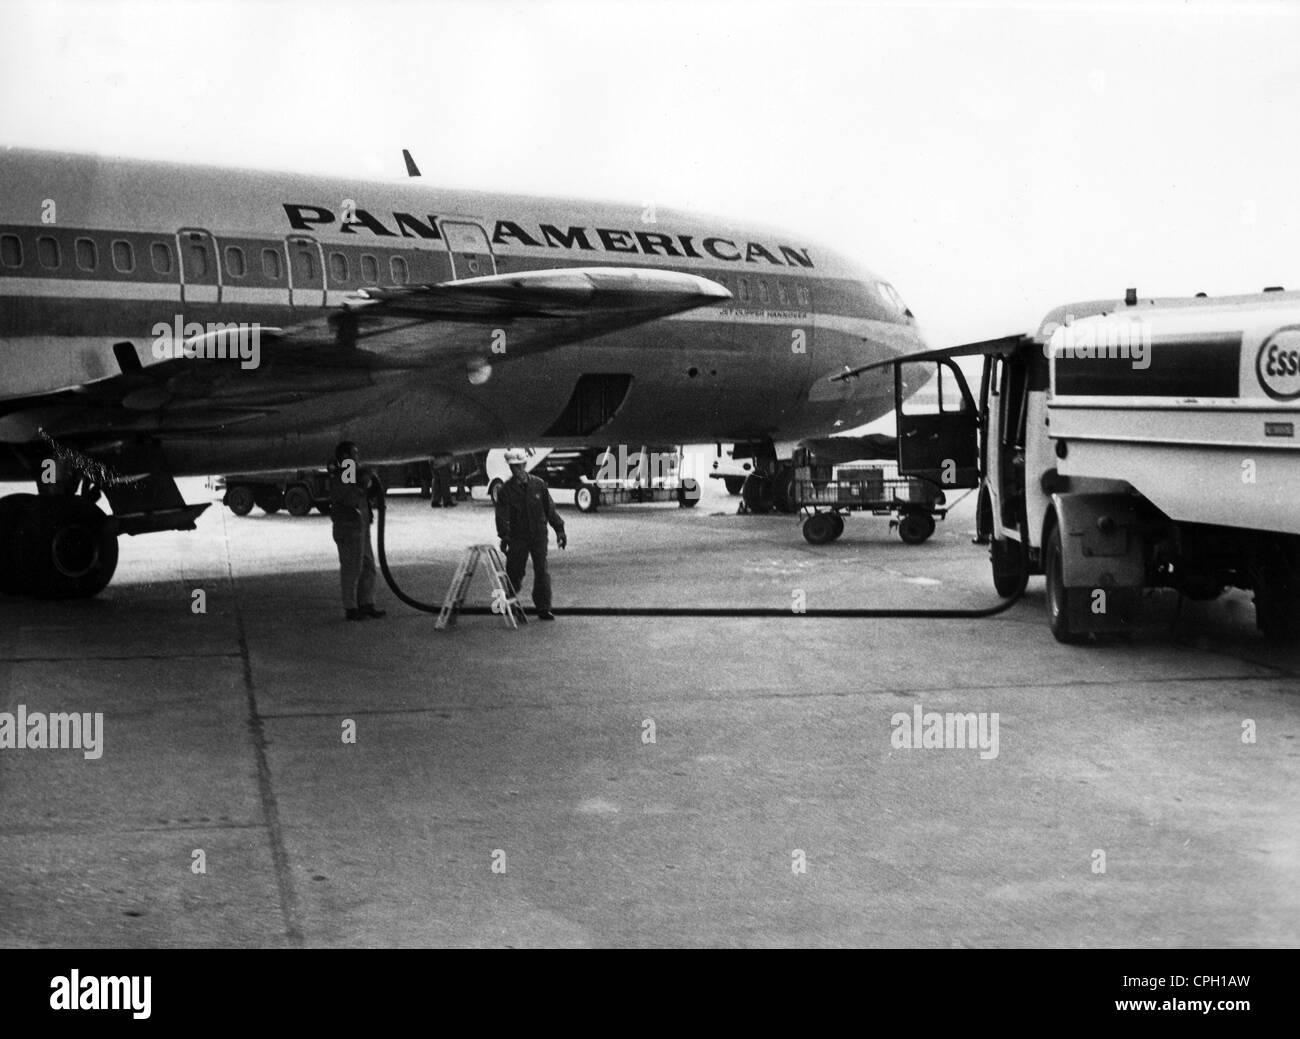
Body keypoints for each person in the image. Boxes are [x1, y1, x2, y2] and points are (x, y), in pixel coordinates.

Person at [494, 448, 566, 620]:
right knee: (515, 572)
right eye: (513, 467)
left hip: (538, 535)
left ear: (525, 464)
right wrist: (504, 535)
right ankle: (509, 603)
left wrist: (560, 529)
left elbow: (550, 509)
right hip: (518, 537)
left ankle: (543, 608)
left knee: (542, 571)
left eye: (519, 466)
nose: (516, 470)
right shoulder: (505, 490)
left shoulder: (538, 484)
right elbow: (501, 515)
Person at [328, 440, 387, 621]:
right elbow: (350, 497)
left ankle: (366, 604)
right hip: (349, 528)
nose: (357, 458)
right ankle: (351, 608)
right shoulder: (346, 473)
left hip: (360, 527)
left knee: (367, 566)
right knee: (352, 569)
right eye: (354, 454)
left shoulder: (351, 472)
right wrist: (364, 484)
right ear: (346, 457)